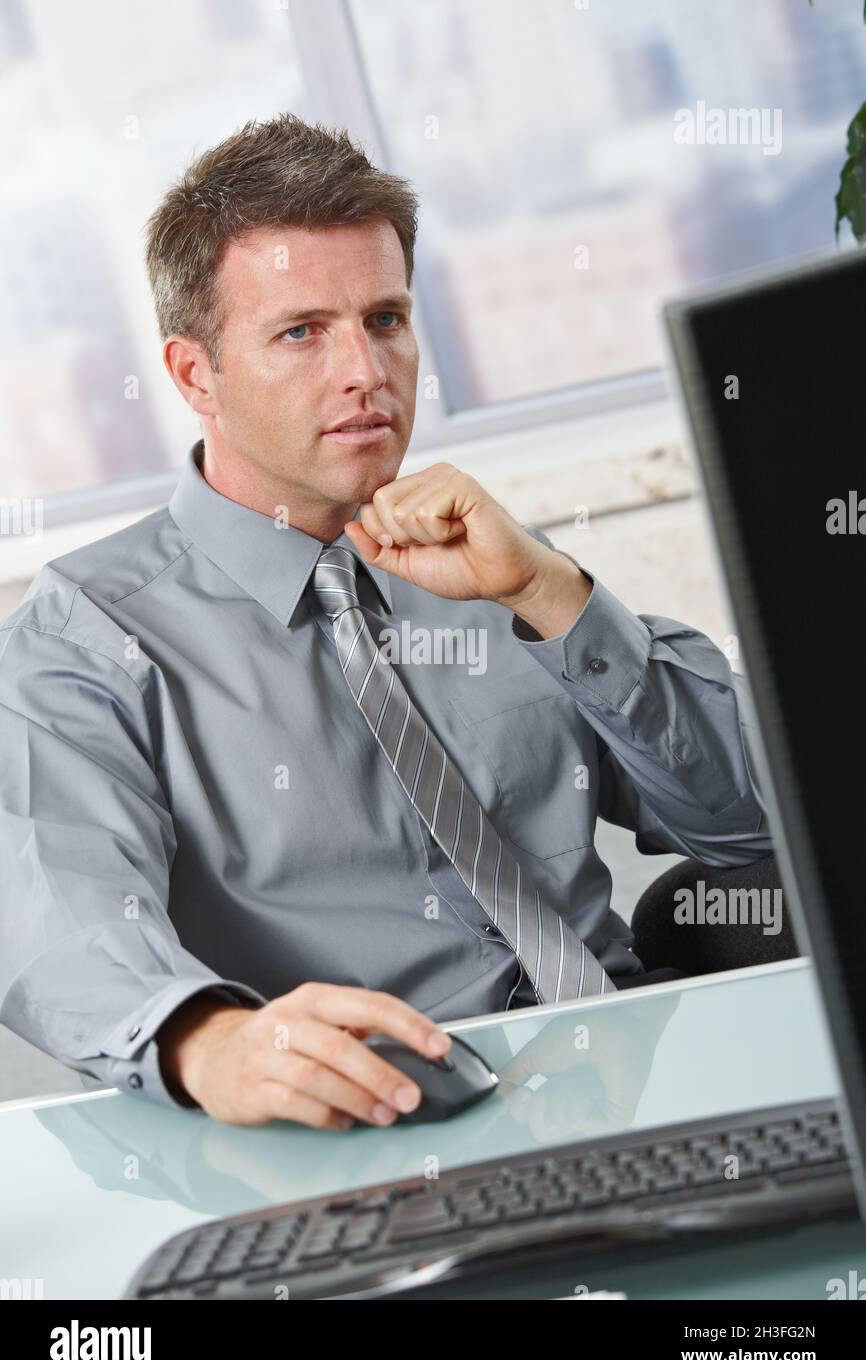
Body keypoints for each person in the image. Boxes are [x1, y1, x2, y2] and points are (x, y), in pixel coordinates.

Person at [0, 114, 772, 1131]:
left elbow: (747, 818)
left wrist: (548, 591)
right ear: (194, 375)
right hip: (382, 1125)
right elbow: (56, 916)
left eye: (385, 319)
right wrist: (207, 1038)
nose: (364, 370)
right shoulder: (82, 636)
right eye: (299, 332)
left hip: (639, 1067)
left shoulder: (487, 557)